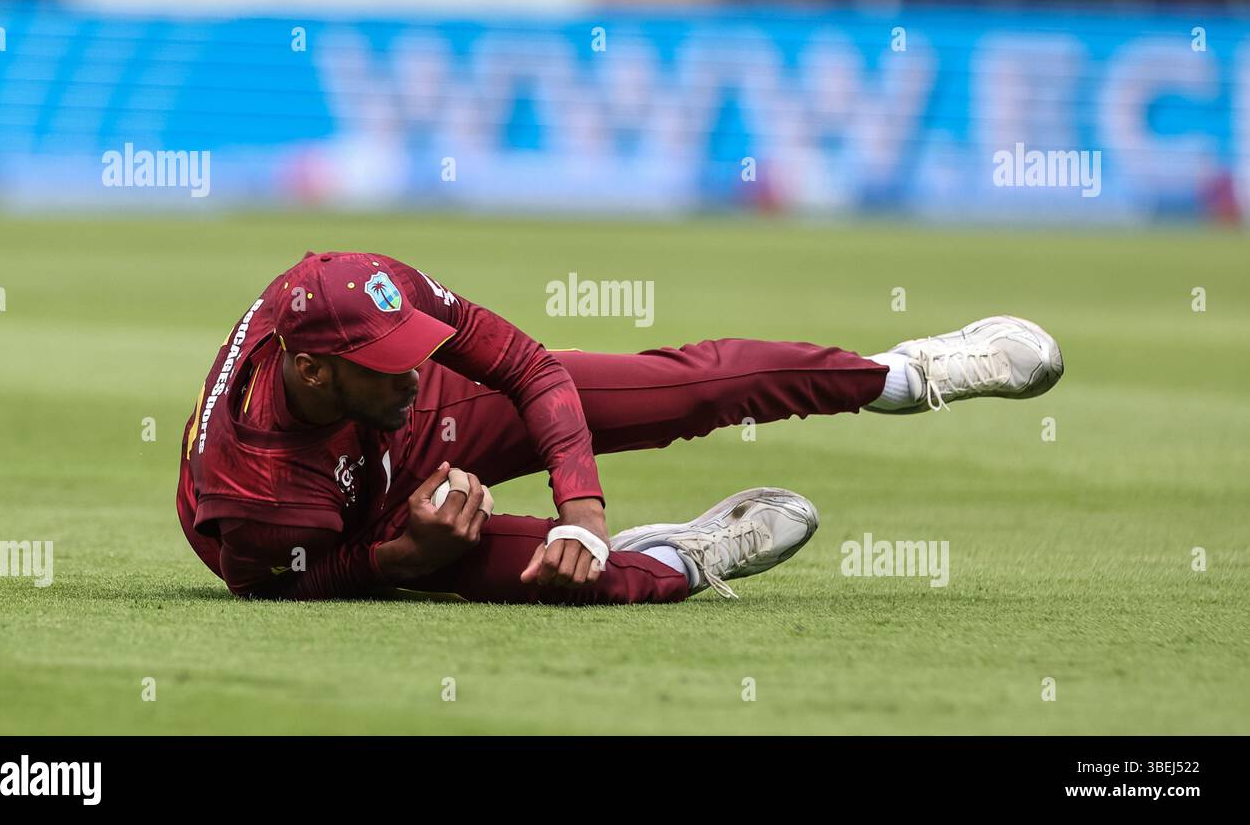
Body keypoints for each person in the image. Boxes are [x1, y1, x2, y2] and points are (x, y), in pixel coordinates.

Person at [176, 250, 1063, 604]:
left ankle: (908, 375)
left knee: (680, 390)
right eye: (387, 360)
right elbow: (281, 587)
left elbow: (528, 366)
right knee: (585, 587)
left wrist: (582, 504)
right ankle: (683, 555)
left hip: (407, 437)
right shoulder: (259, 496)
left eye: (414, 347)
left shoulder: (366, 289)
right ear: (313, 369)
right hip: (349, 528)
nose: (414, 363)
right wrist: (401, 560)